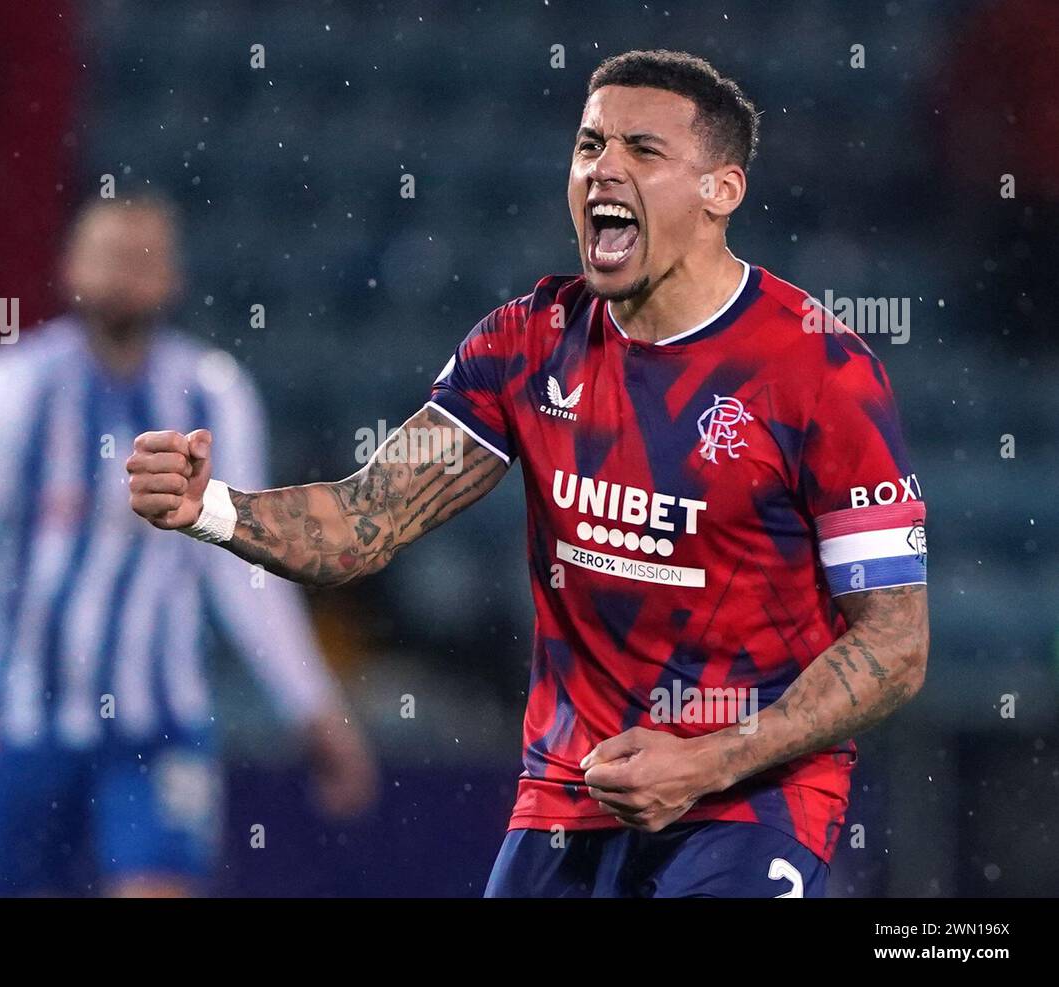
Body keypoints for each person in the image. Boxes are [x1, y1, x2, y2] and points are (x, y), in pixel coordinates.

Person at [126, 50, 929, 898]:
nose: (603, 169)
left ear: (720, 191)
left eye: (643, 151)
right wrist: (206, 506)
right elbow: (363, 521)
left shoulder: (820, 372)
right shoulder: (528, 341)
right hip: (570, 790)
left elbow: (896, 645)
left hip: (752, 792)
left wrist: (708, 760)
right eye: (589, 146)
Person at [0, 197, 375, 897]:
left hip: (158, 724)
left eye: (143, 257)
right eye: (109, 254)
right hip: (22, 716)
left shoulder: (213, 396)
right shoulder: (10, 387)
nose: (125, 272)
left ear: (173, 279)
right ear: (70, 268)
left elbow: (243, 572)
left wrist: (311, 703)